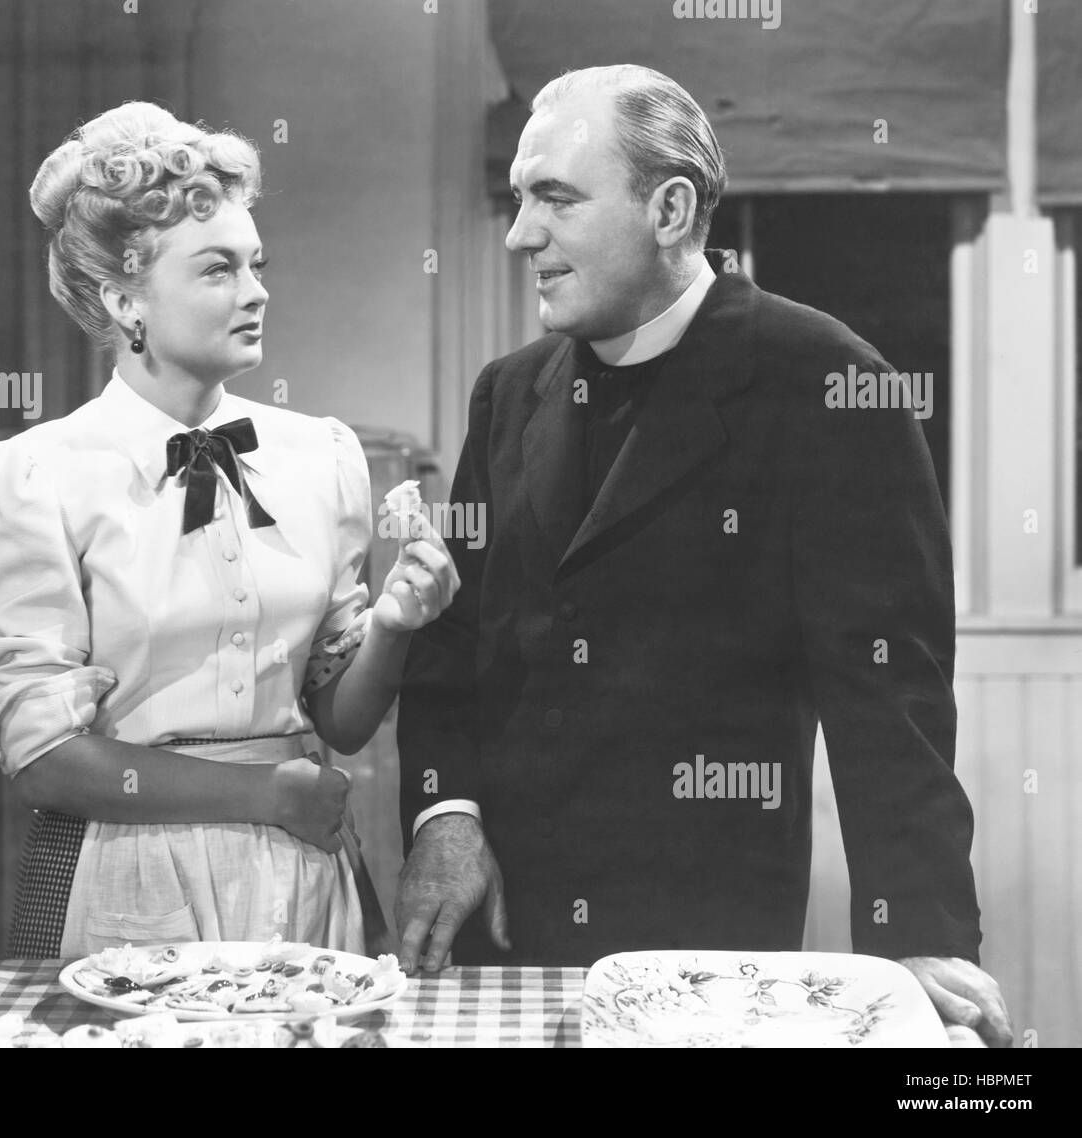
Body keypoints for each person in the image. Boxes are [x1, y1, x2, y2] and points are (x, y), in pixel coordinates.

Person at [395, 65, 1012, 1045]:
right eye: (517, 200)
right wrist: (444, 815)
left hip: (709, 954)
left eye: (554, 198)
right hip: (499, 925)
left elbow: (887, 700)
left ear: (669, 208)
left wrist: (921, 935)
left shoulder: (831, 385)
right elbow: (449, 644)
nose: (519, 235)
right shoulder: (504, 393)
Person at [0, 102, 459, 958]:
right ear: (124, 297)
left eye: (258, 264)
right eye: (218, 269)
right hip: (128, 874)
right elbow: (43, 761)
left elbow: (341, 720)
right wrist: (266, 795)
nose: (257, 290)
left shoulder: (321, 455)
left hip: (304, 873)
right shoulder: (30, 477)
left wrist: (395, 630)